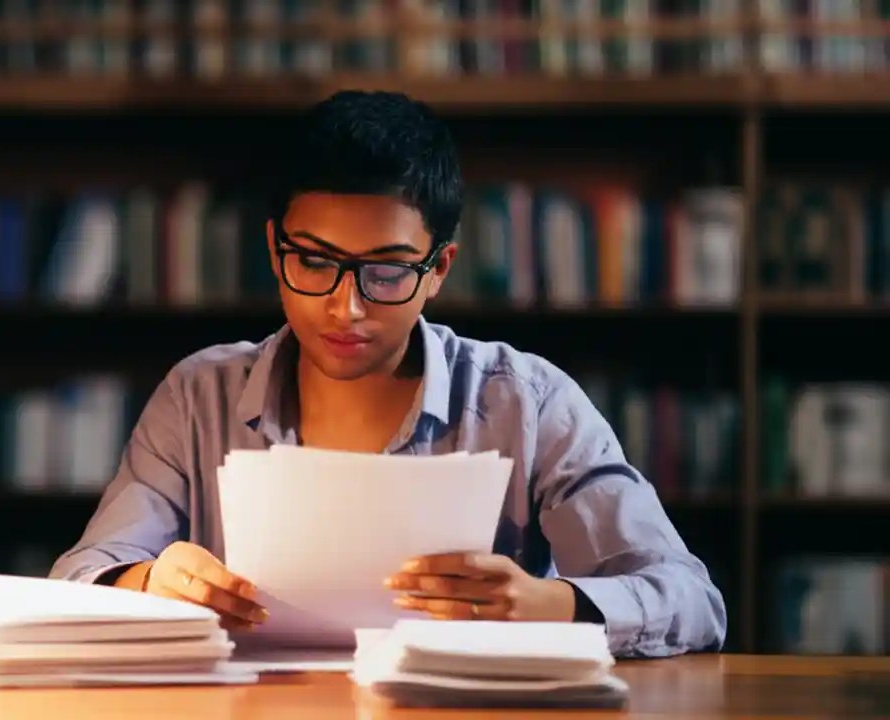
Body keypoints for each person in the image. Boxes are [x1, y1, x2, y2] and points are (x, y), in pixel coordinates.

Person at [48, 89, 727, 658]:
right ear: (273, 247)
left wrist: (549, 603)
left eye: (388, 271)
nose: (346, 307)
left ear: (439, 270)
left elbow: (691, 600)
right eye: (313, 262)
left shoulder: (526, 402)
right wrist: (145, 582)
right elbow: (79, 575)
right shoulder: (201, 395)